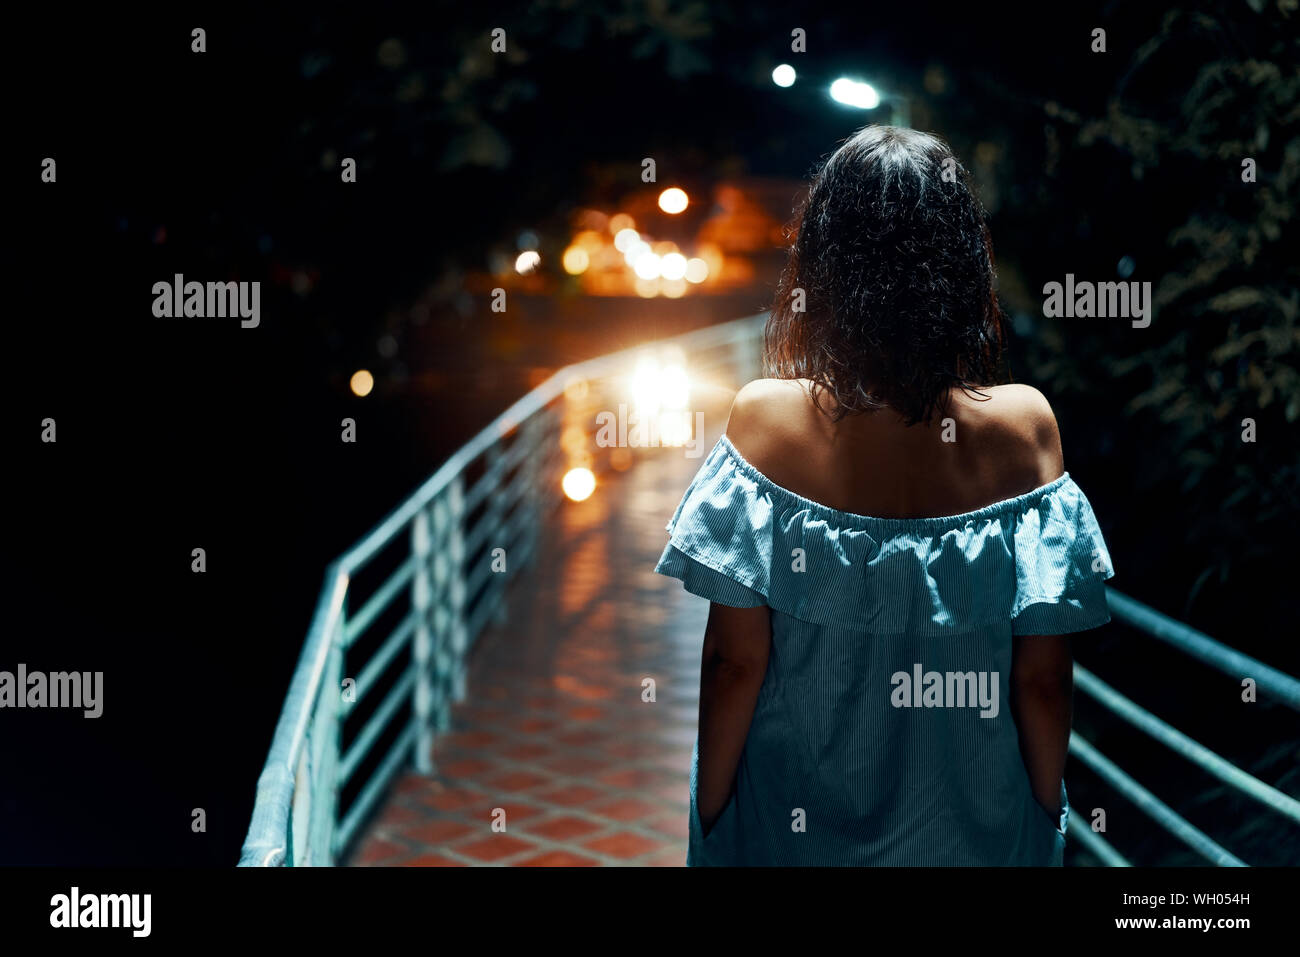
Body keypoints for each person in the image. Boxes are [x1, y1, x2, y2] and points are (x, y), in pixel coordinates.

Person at [655, 126, 1114, 865]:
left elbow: (734, 663)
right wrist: (1044, 816)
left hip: (795, 825)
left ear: (824, 265)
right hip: (971, 826)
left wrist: (711, 818)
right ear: (963, 263)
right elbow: (1042, 676)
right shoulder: (1026, 428)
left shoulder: (766, 420)